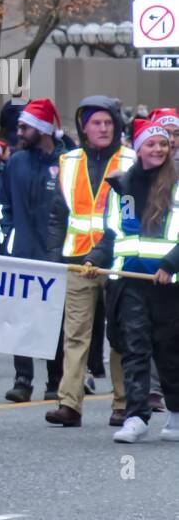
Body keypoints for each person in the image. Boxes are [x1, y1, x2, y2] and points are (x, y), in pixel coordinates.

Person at [84, 119, 179, 443]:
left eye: (163, 144)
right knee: (135, 347)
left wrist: (170, 264)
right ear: (139, 149)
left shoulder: (178, 185)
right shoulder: (122, 186)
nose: (158, 149)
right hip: (129, 281)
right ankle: (136, 415)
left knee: (168, 352)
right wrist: (93, 260)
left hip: (167, 284)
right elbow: (112, 234)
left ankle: (176, 414)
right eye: (151, 144)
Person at [44, 96, 133, 429]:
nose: (104, 128)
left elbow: (130, 216)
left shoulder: (130, 160)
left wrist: (105, 252)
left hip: (117, 261)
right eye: (96, 123)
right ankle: (70, 403)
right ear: (83, 127)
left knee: (120, 334)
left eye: (109, 122)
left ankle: (122, 404)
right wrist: (54, 259)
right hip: (77, 259)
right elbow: (58, 216)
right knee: (75, 333)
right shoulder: (68, 161)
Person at [0, 98, 67, 403]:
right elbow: (5, 207)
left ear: (42, 129)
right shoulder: (14, 162)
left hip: (55, 255)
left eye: (25, 127)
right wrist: (7, 238)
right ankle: (22, 378)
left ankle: (56, 379)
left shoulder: (66, 162)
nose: (19, 132)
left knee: (56, 319)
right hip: (21, 254)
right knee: (21, 318)